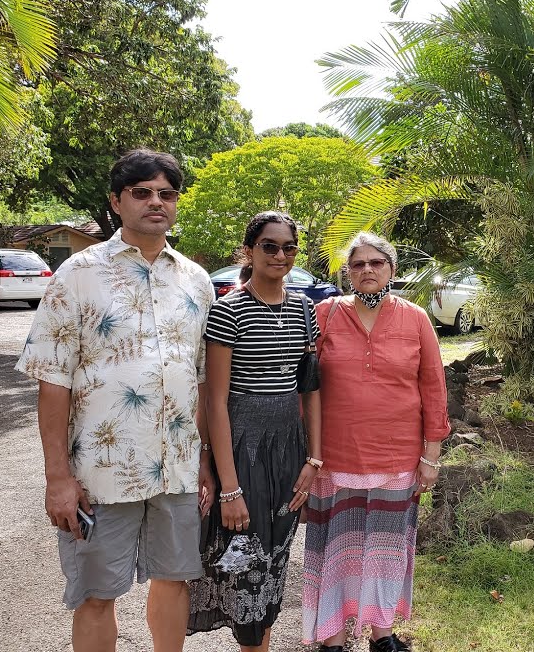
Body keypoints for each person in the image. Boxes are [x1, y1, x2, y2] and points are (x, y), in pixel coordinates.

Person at [15, 148, 217, 652]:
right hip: (101, 472)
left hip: (177, 468)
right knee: (96, 593)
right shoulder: (78, 274)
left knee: (174, 580)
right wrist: (57, 477)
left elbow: (200, 379)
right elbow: (52, 379)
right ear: (117, 201)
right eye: (142, 192)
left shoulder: (195, 280)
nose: (156, 202)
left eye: (166, 193)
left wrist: (206, 463)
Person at [302, 232, 451, 652]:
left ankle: (381, 635)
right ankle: (331, 639)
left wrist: (431, 455)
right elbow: (304, 384)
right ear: (347, 272)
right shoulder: (324, 314)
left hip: (397, 456)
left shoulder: (415, 318)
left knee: (386, 552)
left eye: (376, 263)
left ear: (392, 270)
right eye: (358, 264)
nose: (367, 269)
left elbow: (433, 386)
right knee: (334, 549)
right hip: (333, 456)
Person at [187, 211, 323, 652]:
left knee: (277, 556)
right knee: (244, 562)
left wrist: (313, 459)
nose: (279, 255)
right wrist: (229, 486)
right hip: (242, 448)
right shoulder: (229, 311)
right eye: (269, 246)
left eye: (288, 247)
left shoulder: (305, 309)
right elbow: (216, 402)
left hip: (289, 449)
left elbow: (310, 390)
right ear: (249, 251)